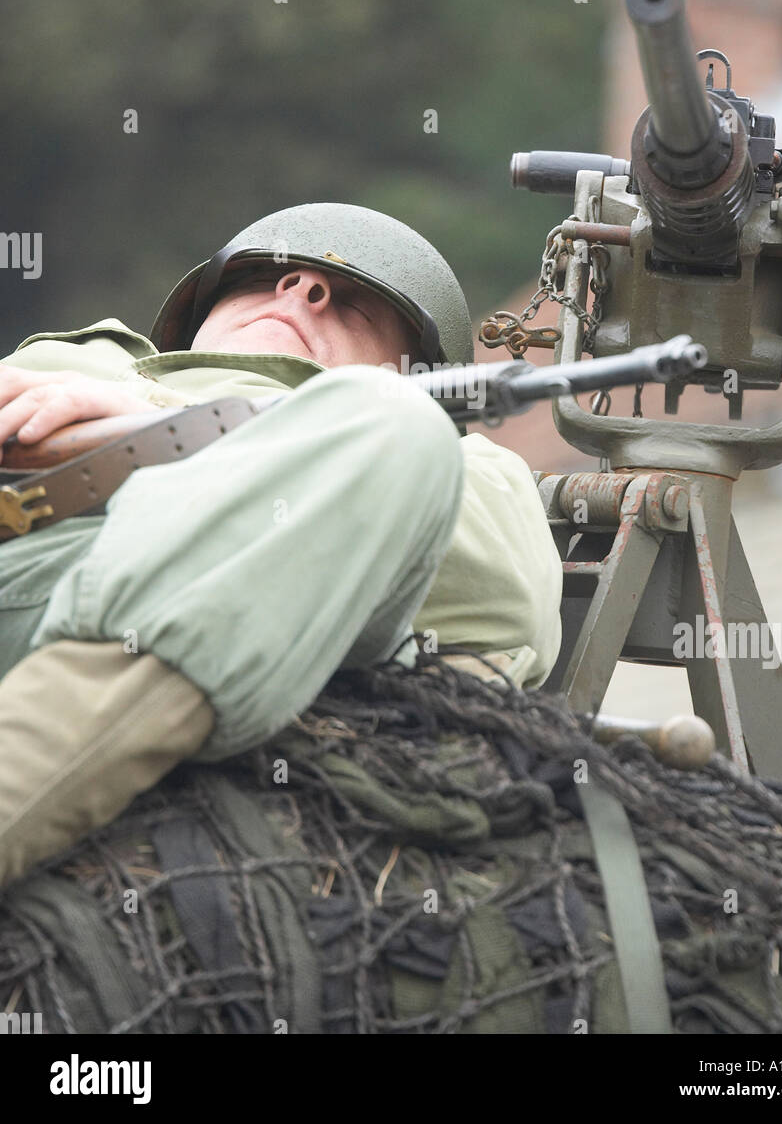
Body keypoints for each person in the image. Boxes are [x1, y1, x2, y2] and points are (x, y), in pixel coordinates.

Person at [0, 204, 563, 887]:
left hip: (195, 639)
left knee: (389, 429)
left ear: (419, 373)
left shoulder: (433, 444)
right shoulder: (76, 361)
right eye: (261, 277)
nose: (301, 290)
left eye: (355, 300)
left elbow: (506, 603)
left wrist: (172, 430)